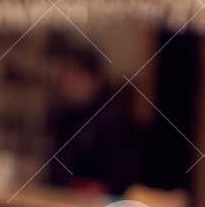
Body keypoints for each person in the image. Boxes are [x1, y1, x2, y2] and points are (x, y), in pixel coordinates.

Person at [46, 44, 138, 196]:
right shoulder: (63, 116)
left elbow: (124, 178)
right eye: (64, 74)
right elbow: (57, 173)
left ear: (96, 80)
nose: (68, 82)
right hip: (65, 202)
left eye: (76, 75)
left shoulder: (114, 118)